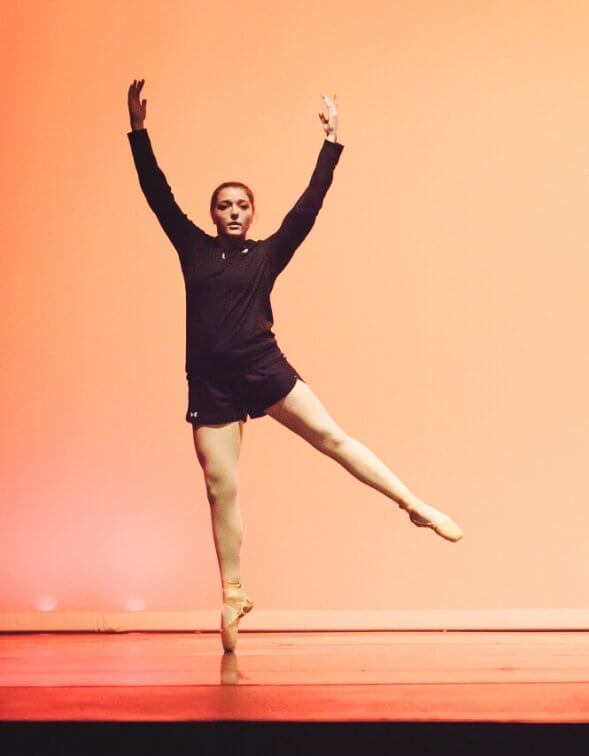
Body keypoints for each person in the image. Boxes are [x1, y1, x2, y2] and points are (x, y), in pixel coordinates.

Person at [126, 79, 463, 653]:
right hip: (209, 382)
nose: (234, 212)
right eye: (225, 206)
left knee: (332, 438)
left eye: (242, 205)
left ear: (252, 212)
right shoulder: (193, 247)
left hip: (262, 367)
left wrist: (331, 143)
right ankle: (233, 593)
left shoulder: (266, 255)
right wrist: (138, 131)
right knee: (220, 487)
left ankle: (412, 504)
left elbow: (308, 208)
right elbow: (157, 193)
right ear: (213, 214)